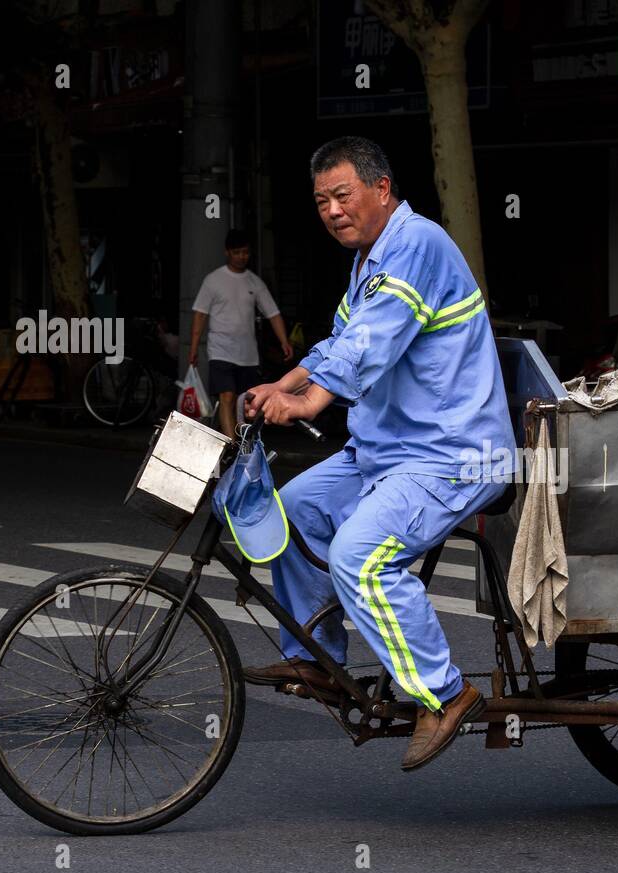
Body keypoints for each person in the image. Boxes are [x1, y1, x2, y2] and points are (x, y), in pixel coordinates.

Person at [242, 136, 514, 771]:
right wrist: (283, 384)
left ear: (382, 189)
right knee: (292, 513)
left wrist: (309, 404)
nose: (333, 210)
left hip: (450, 456)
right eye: (321, 202)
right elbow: (341, 339)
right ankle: (317, 659)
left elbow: (370, 343)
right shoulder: (370, 259)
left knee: (360, 557)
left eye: (343, 195)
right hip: (384, 452)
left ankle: (444, 695)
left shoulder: (415, 244)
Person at [189, 229, 292, 438]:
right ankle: (232, 444)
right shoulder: (213, 280)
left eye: (245, 252)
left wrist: (284, 341)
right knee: (226, 396)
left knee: (246, 403)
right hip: (220, 350)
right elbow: (200, 316)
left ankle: (243, 440)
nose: (241, 257)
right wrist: (193, 349)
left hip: (247, 354)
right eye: (237, 252)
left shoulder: (254, 282)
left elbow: (272, 313)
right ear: (228, 253)